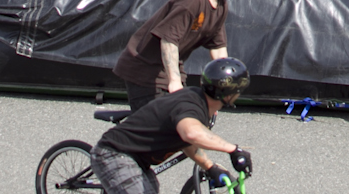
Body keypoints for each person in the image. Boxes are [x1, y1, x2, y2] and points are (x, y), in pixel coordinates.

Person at [115, 0, 255, 112]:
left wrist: (225, 87)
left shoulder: (219, 5)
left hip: (169, 71)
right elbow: (168, 41)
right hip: (145, 71)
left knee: (185, 121)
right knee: (164, 128)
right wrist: (174, 82)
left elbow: (218, 49)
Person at [90, 55, 253, 194]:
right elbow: (190, 133)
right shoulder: (191, 106)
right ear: (228, 94)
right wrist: (232, 149)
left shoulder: (199, 104)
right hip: (115, 154)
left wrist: (210, 167)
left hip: (137, 159)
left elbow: (186, 141)